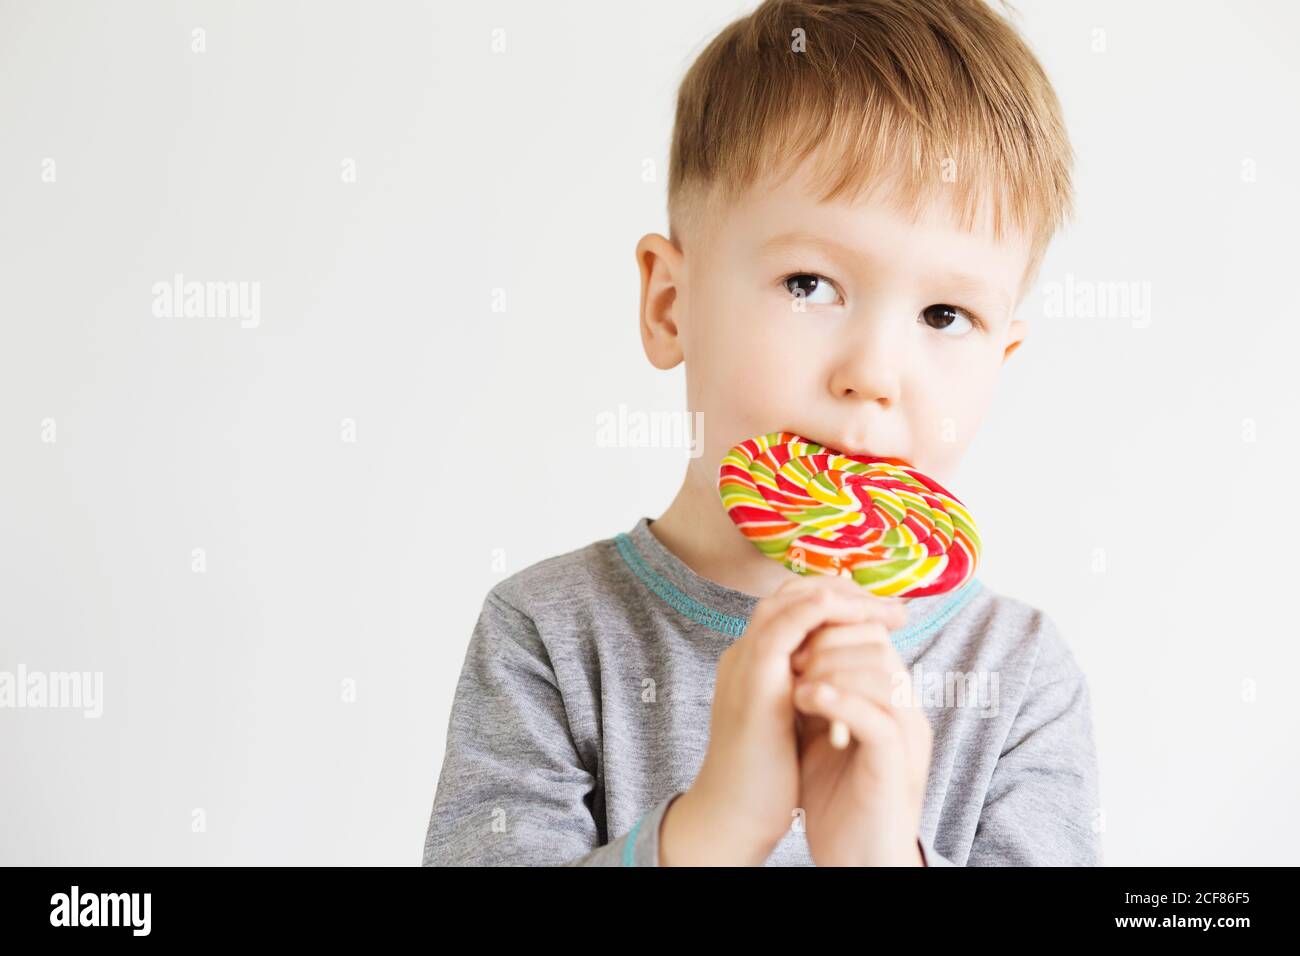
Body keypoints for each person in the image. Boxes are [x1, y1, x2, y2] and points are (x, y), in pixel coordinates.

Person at [423, 0, 1101, 866]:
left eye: (944, 312)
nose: (875, 371)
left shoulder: (1019, 680)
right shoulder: (550, 636)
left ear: (1001, 360)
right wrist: (711, 831)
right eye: (810, 285)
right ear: (672, 306)